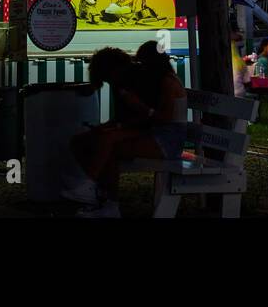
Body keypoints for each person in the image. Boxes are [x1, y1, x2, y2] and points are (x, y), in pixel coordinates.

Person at [66, 44, 185, 218]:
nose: (139, 66)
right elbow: (132, 116)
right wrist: (112, 126)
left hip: (166, 140)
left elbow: (162, 119)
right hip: (152, 132)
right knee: (88, 141)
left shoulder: (167, 81)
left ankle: (97, 192)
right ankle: (100, 195)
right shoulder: (151, 78)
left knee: (109, 145)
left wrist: (135, 109)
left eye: (142, 62)